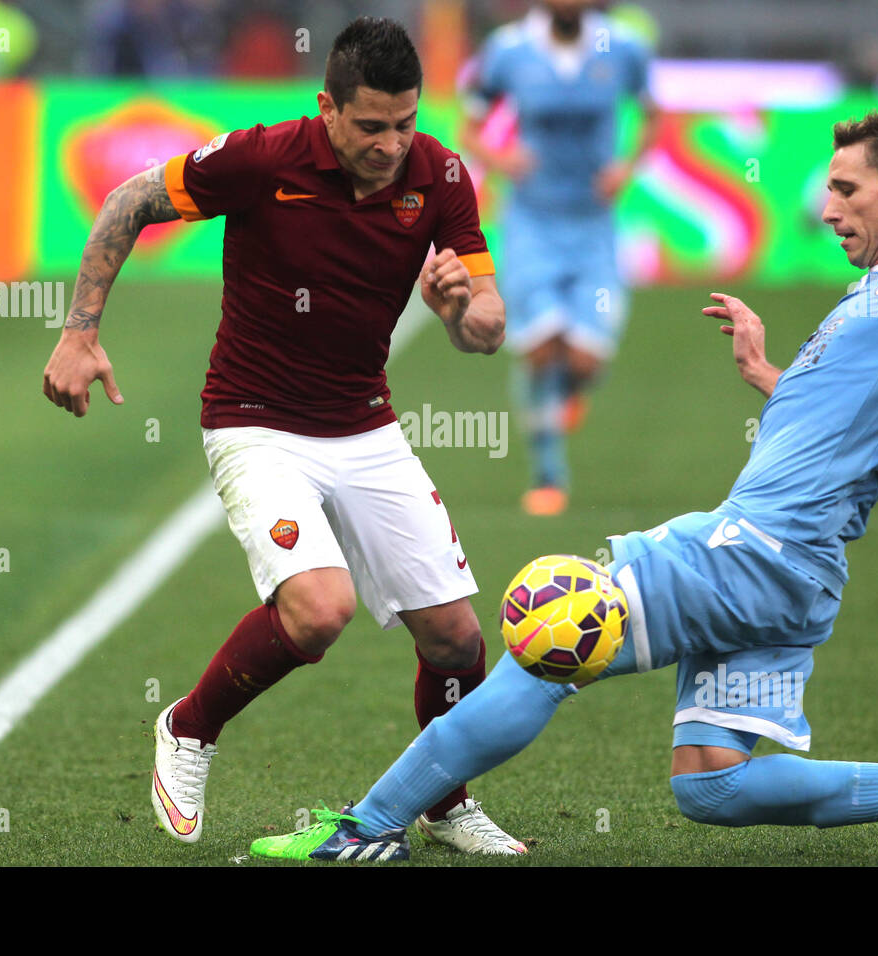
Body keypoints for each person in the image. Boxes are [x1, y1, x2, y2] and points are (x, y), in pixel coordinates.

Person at [249, 112, 878, 863]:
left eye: (845, 188)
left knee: (553, 635)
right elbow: (851, 423)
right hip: (801, 578)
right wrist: (768, 375)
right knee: (711, 784)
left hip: (755, 550)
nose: (828, 208)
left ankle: (369, 829)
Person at [42, 17, 528, 855]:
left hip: (364, 423)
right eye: (371, 126)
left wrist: (458, 308)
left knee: (456, 637)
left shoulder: (442, 176)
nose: (391, 144)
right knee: (319, 610)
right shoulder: (262, 160)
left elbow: (486, 328)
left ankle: (445, 803)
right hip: (255, 423)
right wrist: (79, 332)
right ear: (328, 109)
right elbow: (129, 200)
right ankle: (189, 729)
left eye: (405, 123)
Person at [459, 0, 657, 516]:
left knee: (586, 360)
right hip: (532, 224)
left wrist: (626, 167)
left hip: (593, 226)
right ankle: (548, 475)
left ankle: (571, 390)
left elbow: (655, 114)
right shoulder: (509, 50)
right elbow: (468, 126)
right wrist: (501, 159)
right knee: (542, 349)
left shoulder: (622, 46)